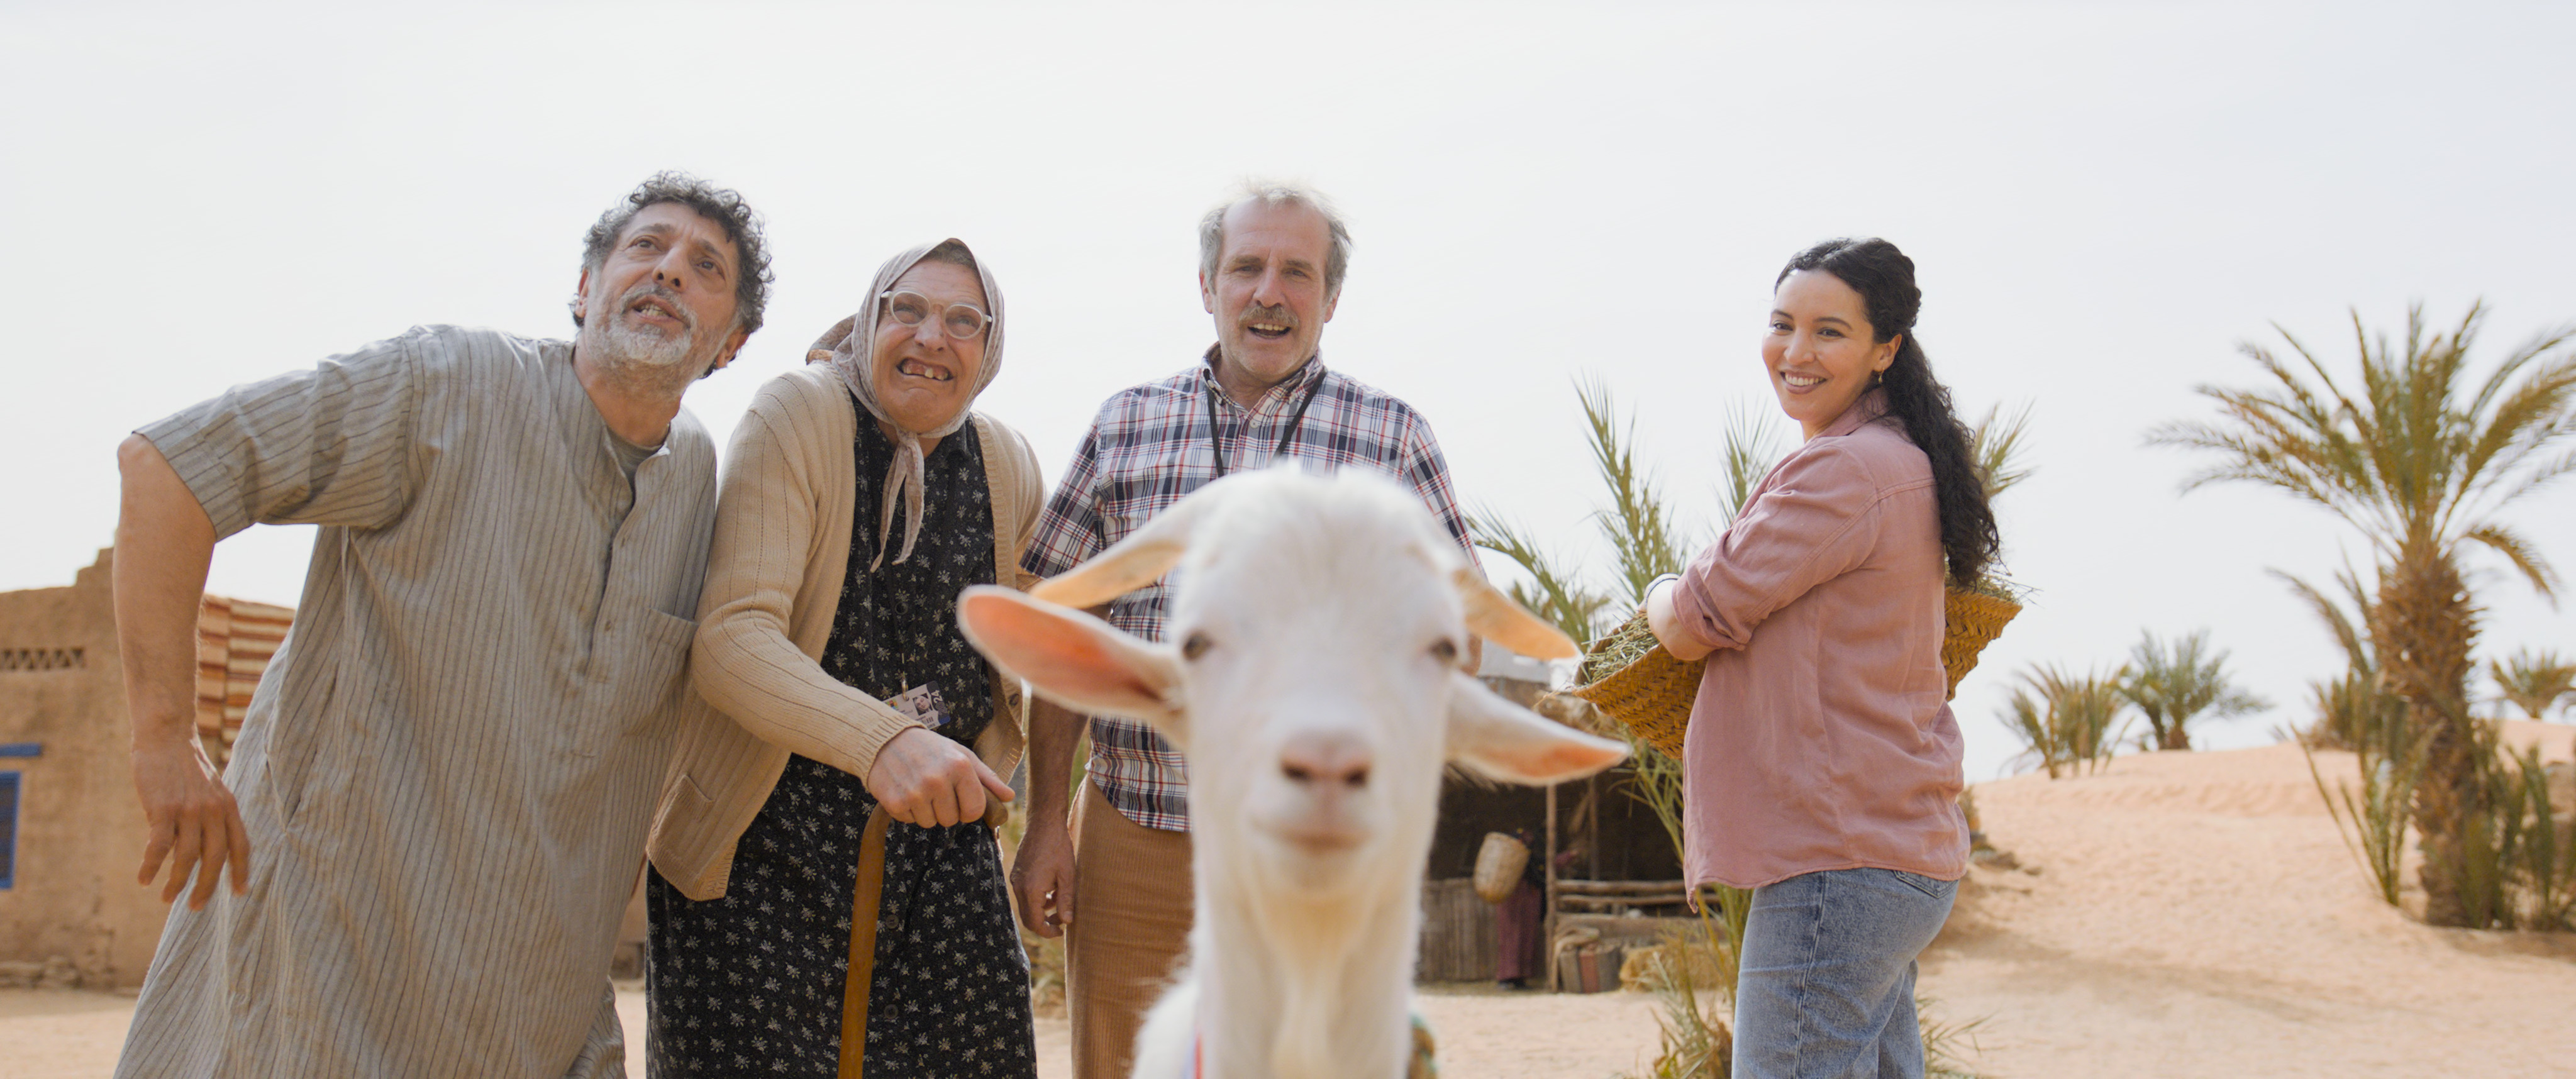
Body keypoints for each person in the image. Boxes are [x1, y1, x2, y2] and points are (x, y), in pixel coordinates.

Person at [109, 173, 769, 1076]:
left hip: (534, 1007)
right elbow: (171, 467)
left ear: (729, 344)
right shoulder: (441, 387)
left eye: (705, 268)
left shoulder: (698, 482)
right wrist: (163, 740)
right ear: (585, 290)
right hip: (328, 967)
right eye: (644, 248)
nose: (668, 273)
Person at [1011, 180, 1481, 1079]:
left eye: (1297, 272)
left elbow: (1463, 637)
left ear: (1331, 298)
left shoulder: (1394, 438)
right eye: (1248, 267)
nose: (1271, 291)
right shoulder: (1127, 424)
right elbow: (1064, 626)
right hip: (1135, 830)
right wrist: (1044, 825)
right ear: (1207, 285)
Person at [643, 239, 1042, 1077]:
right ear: (869, 320)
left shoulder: (1007, 463)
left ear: (989, 349)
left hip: (941, 853)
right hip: (767, 849)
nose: (933, 336)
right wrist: (885, 741)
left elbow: (1053, 635)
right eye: (907, 309)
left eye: (964, 321)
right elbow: (732, 638)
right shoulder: (802, 412)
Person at [1643, 237, 1993, 1079]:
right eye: (1782, 325)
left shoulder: (1845, 470)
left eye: (1829, 332)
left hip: (1838, 863)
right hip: (1892, 854)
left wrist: (1660, 589)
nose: (1796, 353)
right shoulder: (1902, 461)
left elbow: (1695, 617)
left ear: (1886, 349)